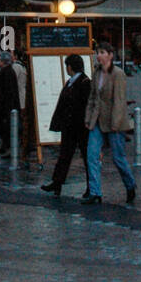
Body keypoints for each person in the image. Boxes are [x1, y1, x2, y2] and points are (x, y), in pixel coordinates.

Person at [81, 42, 136, 205]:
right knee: (92, 155)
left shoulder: (118, 74)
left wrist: (116, 122)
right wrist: (88, 118)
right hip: (97, 120)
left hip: (113, 121)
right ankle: (95, 192)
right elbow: (92, 97)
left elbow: (119, 100)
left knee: (118, 158)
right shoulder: (96, 73)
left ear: (111, 55)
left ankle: (130, 184)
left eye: (102, 52)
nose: (99, 55)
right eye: (98, 52)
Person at [42, 54, 91, 197]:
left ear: (70, 67)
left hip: (81, 127)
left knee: (87, 157)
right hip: (69, 126)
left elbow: (85, 104)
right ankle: (57, 183)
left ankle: (91, 187)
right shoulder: (71, 82)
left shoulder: (84, 82)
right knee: (64, 155)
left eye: (67, 66)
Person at [0, 53, 20, 154]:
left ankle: (8, 146)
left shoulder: (6, 72)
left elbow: (7, 91)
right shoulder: (7, 71)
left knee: (5, 127)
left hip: (7, 106)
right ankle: (6, 146)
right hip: (8, 105)